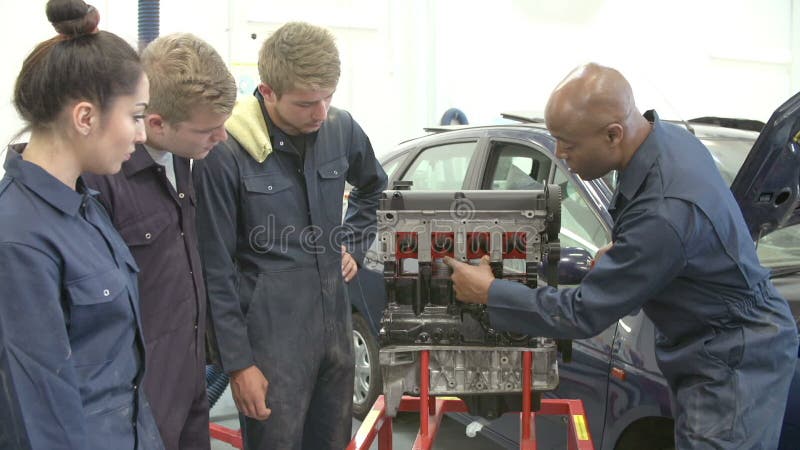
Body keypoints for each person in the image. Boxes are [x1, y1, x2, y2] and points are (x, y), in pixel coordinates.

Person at [444, 63, 798, 449]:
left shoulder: (664, 211)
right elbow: (692, 229)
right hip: (722, 339)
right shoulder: (671, 142)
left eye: (568, 144)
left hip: (733, 358)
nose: (560, 154)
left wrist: (489, 292)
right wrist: (632, 250)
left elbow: (582, 313)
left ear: (614, 134)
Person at [193, 22, 387, 449]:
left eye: (327, 98)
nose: (320, 113)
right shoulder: (225, 153)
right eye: (305, 103)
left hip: (335, 333)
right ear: (267, 91)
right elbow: (215, 270)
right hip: (271, 344)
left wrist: (354, 243)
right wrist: (239, 365)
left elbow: (373, 186)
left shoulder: (340, 129)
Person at [0, 1, 164, 449]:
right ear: (86, 117)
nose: (141, 135)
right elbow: (36, 416)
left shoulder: (85, 206)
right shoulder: (18, 239)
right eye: (135, 116)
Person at [82, 33, 236, 450]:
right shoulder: (102, 180)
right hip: (136, 399)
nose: (222, 137)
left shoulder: (185, 156)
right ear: (156, 123)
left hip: (188, 378)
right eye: (209, 129)